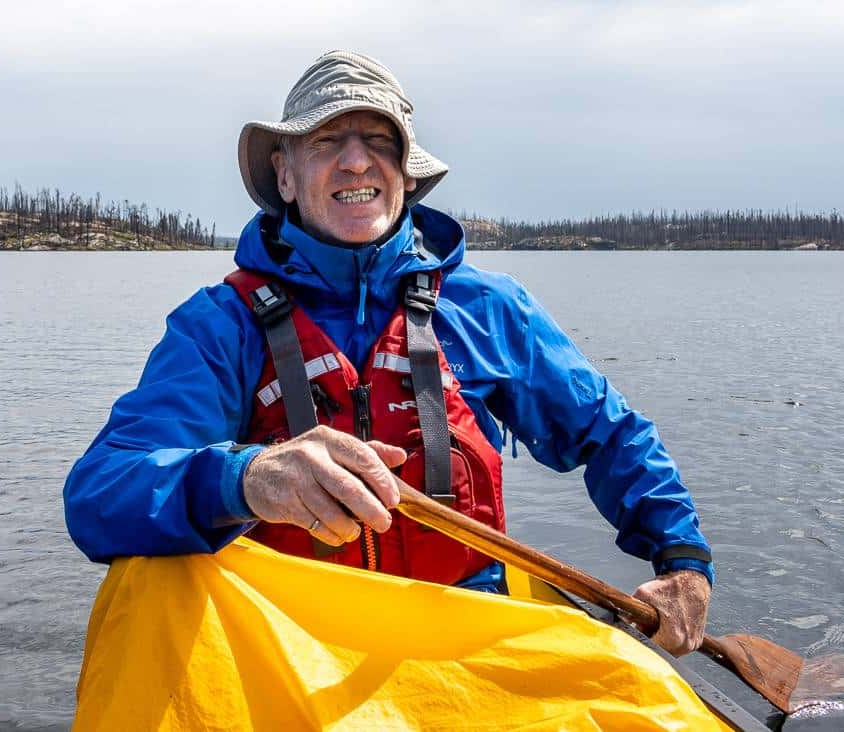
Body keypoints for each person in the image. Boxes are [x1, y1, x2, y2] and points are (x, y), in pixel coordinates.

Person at [64, 50, 713, 656]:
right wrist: (244, 478)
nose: (355, 162)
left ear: (404, 173)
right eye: (326, 142)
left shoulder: (486, 308)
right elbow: (100, 494)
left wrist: (682, 558)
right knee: (143, 589)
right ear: (285, 176)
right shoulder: (218, 326)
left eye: (379, 142)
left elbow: (611, 434)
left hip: (462, 631)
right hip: (289, 648)